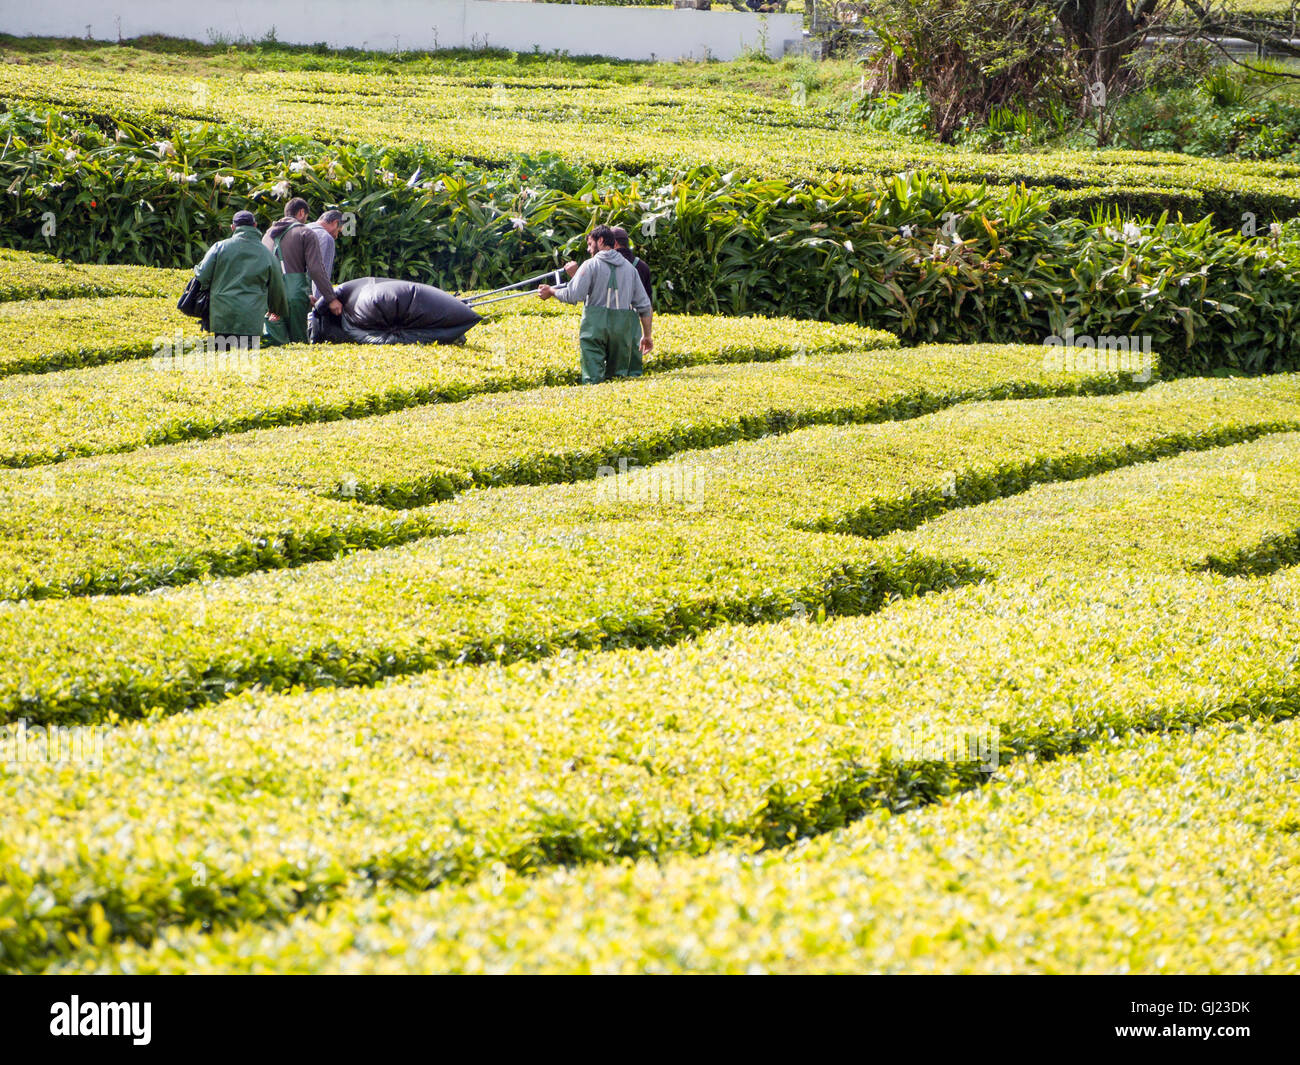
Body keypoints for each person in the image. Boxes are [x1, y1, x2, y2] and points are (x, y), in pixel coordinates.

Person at [540, 224, 652, 384]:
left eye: (590, 244)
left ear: (600, 241)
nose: (588, 249)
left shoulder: (590, 265)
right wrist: (647, 335)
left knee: (592, 379)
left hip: (595, 327)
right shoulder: (630, 269)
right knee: (618, 379)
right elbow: (644, 306)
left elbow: (573, 295)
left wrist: (552, 291)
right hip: (622, 330)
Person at [193, 210, 288, 342]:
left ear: (233, 227)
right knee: (247, 358)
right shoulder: (267, 254)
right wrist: (276, 309)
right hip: (251, 317)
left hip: (222, 315)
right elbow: (276, 286)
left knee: (222, 357)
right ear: (255, 225)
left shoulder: (219, 247)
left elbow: (202, 276)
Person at [262, 197, 342, 343]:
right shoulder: (305, 232)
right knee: (298, 344)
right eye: (306, 217)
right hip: (294, 295)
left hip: (269, 295)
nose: (305, 220)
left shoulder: (268, 234)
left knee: (276, 343)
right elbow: (316, 270)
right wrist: (331, 299)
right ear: (301, 212)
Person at [307, 209, 345, 302]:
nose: (336, 236)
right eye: (338, 231)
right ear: (335, 223)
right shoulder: (326, 238)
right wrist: (320, 305)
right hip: (308, 303)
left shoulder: (300, 229)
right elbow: (321, 274)